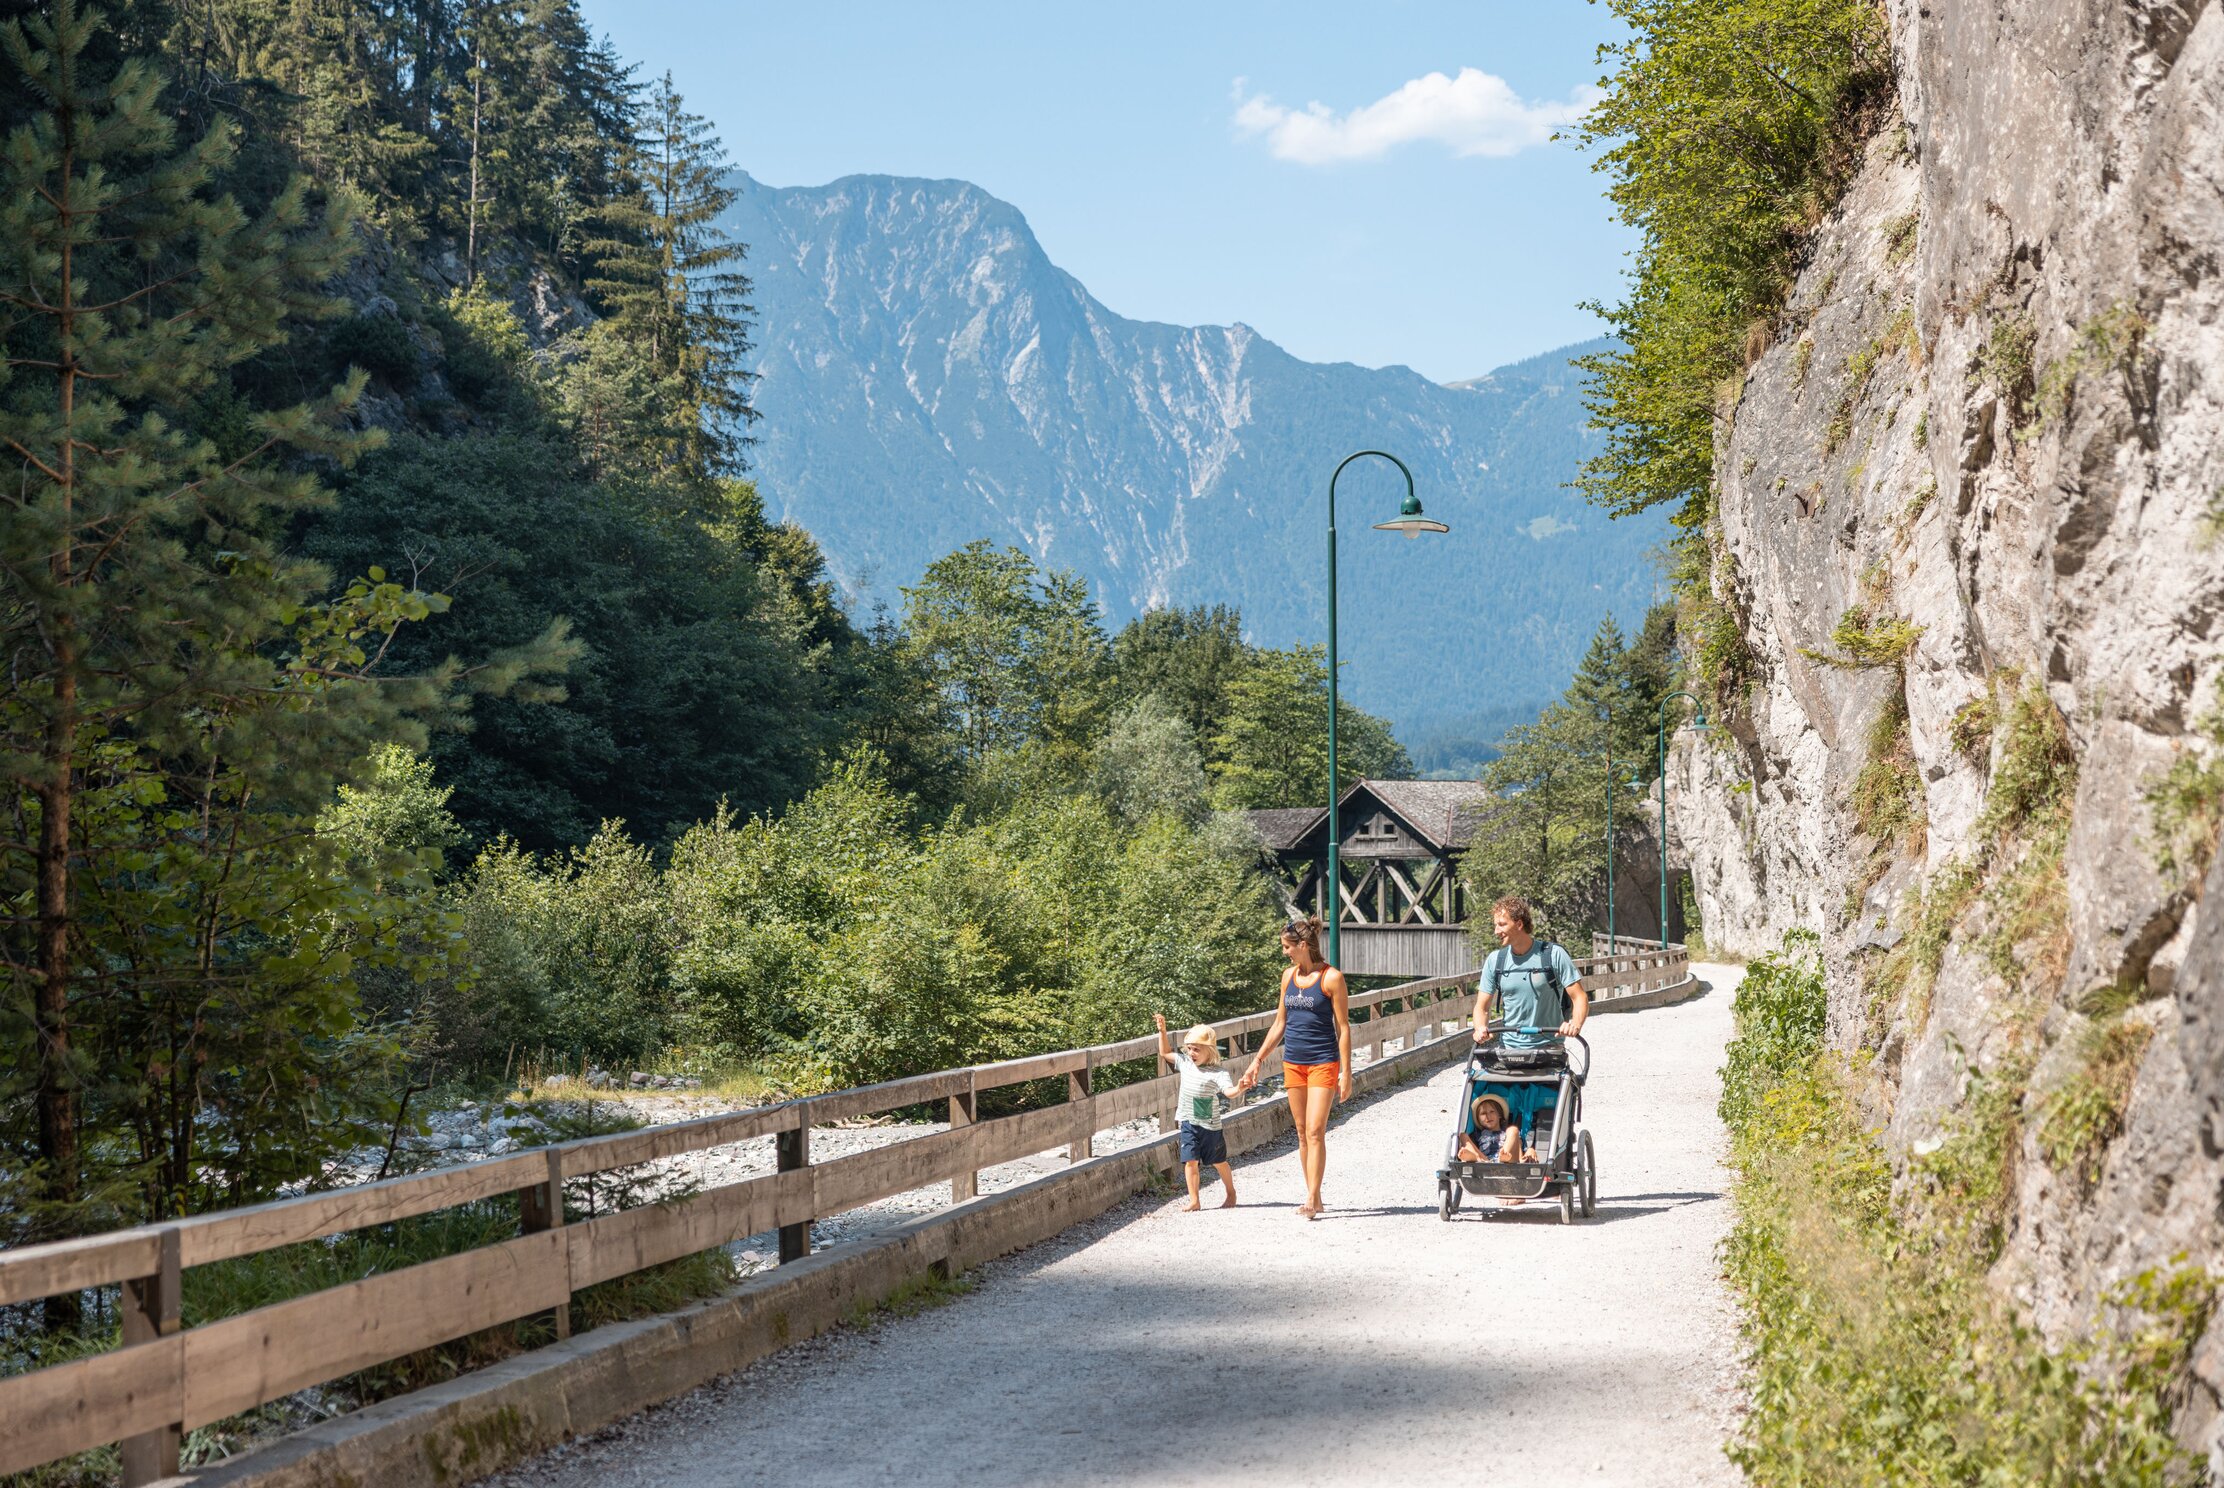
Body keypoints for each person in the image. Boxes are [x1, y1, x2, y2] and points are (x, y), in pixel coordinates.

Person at [1237, 915, 1351, 1219]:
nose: (1285, 952)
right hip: (1294, 1063)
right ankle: (1315, 1194)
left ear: (1303, 945)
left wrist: (1347, 1071)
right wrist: (1256, 1061)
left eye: (1288, 946)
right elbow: (1280, 1024)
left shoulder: (1331, 978)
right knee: (1301, 1132)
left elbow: (1343, 1027)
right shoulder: (1288, 976)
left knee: (1316, 1130)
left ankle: (1312, 1199)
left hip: (1323, 1061)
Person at [1470, 896, 1588, 1052]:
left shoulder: (1553, 955)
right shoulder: (1495, 960)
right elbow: (1482, 1007)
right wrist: (1480, 1028)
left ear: (1519, 924)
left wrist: (1575, 1025)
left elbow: (1579, 997)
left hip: (1549, 1046)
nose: (1496, 931)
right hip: (1509, 1047)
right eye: (1495, 925)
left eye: (1502, 924)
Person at [1155, 1013, 1239, 1211]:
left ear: (1209, 1051)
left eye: (1197, 1050)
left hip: (1209, 1125)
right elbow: (1165, 1053)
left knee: (1218, 1162)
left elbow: (1229, 1092)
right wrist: (1162, 1031)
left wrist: (1241, 1087)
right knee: (1190, 1160)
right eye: (1190, 1049)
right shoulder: (1184, 1063)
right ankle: (1194, 1200)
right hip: (1187, 1121)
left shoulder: (1218, 1072)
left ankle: (1230, 1191)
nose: (1192, 1053)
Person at [1456, 1091, 1527, 1164]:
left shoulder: (1507, 1133)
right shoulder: (1477, 1135)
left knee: (1513, 1129)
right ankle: (1475, 1157)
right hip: (1485, 1161)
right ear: (1479, 1120)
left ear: (1499, 1115)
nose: (1488, 1116)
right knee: (1463, 1135)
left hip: (1508, 1160)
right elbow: (1470, 1144)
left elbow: (1518, 1147)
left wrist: (1523, 1157)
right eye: (1483, 1113)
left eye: (1492, 1112)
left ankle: (1502, 1157)